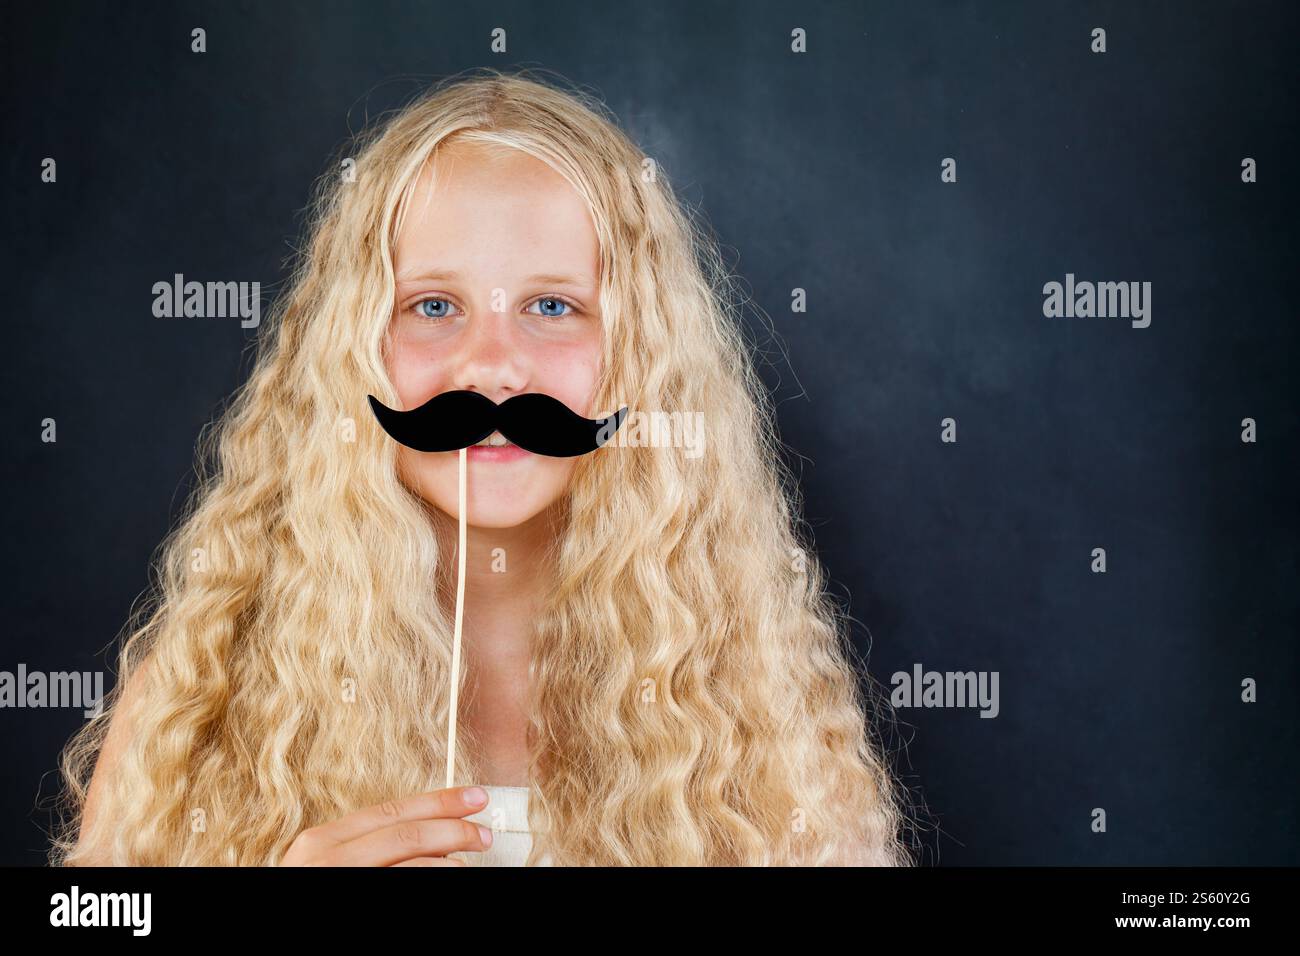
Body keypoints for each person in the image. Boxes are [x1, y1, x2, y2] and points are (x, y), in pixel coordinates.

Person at [50, 67, 909, 867]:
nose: (493, 367)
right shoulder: (202, 692)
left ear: (642, 356)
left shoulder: (751, 700)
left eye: (552, 307)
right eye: (432, 306)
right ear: (348, 350)